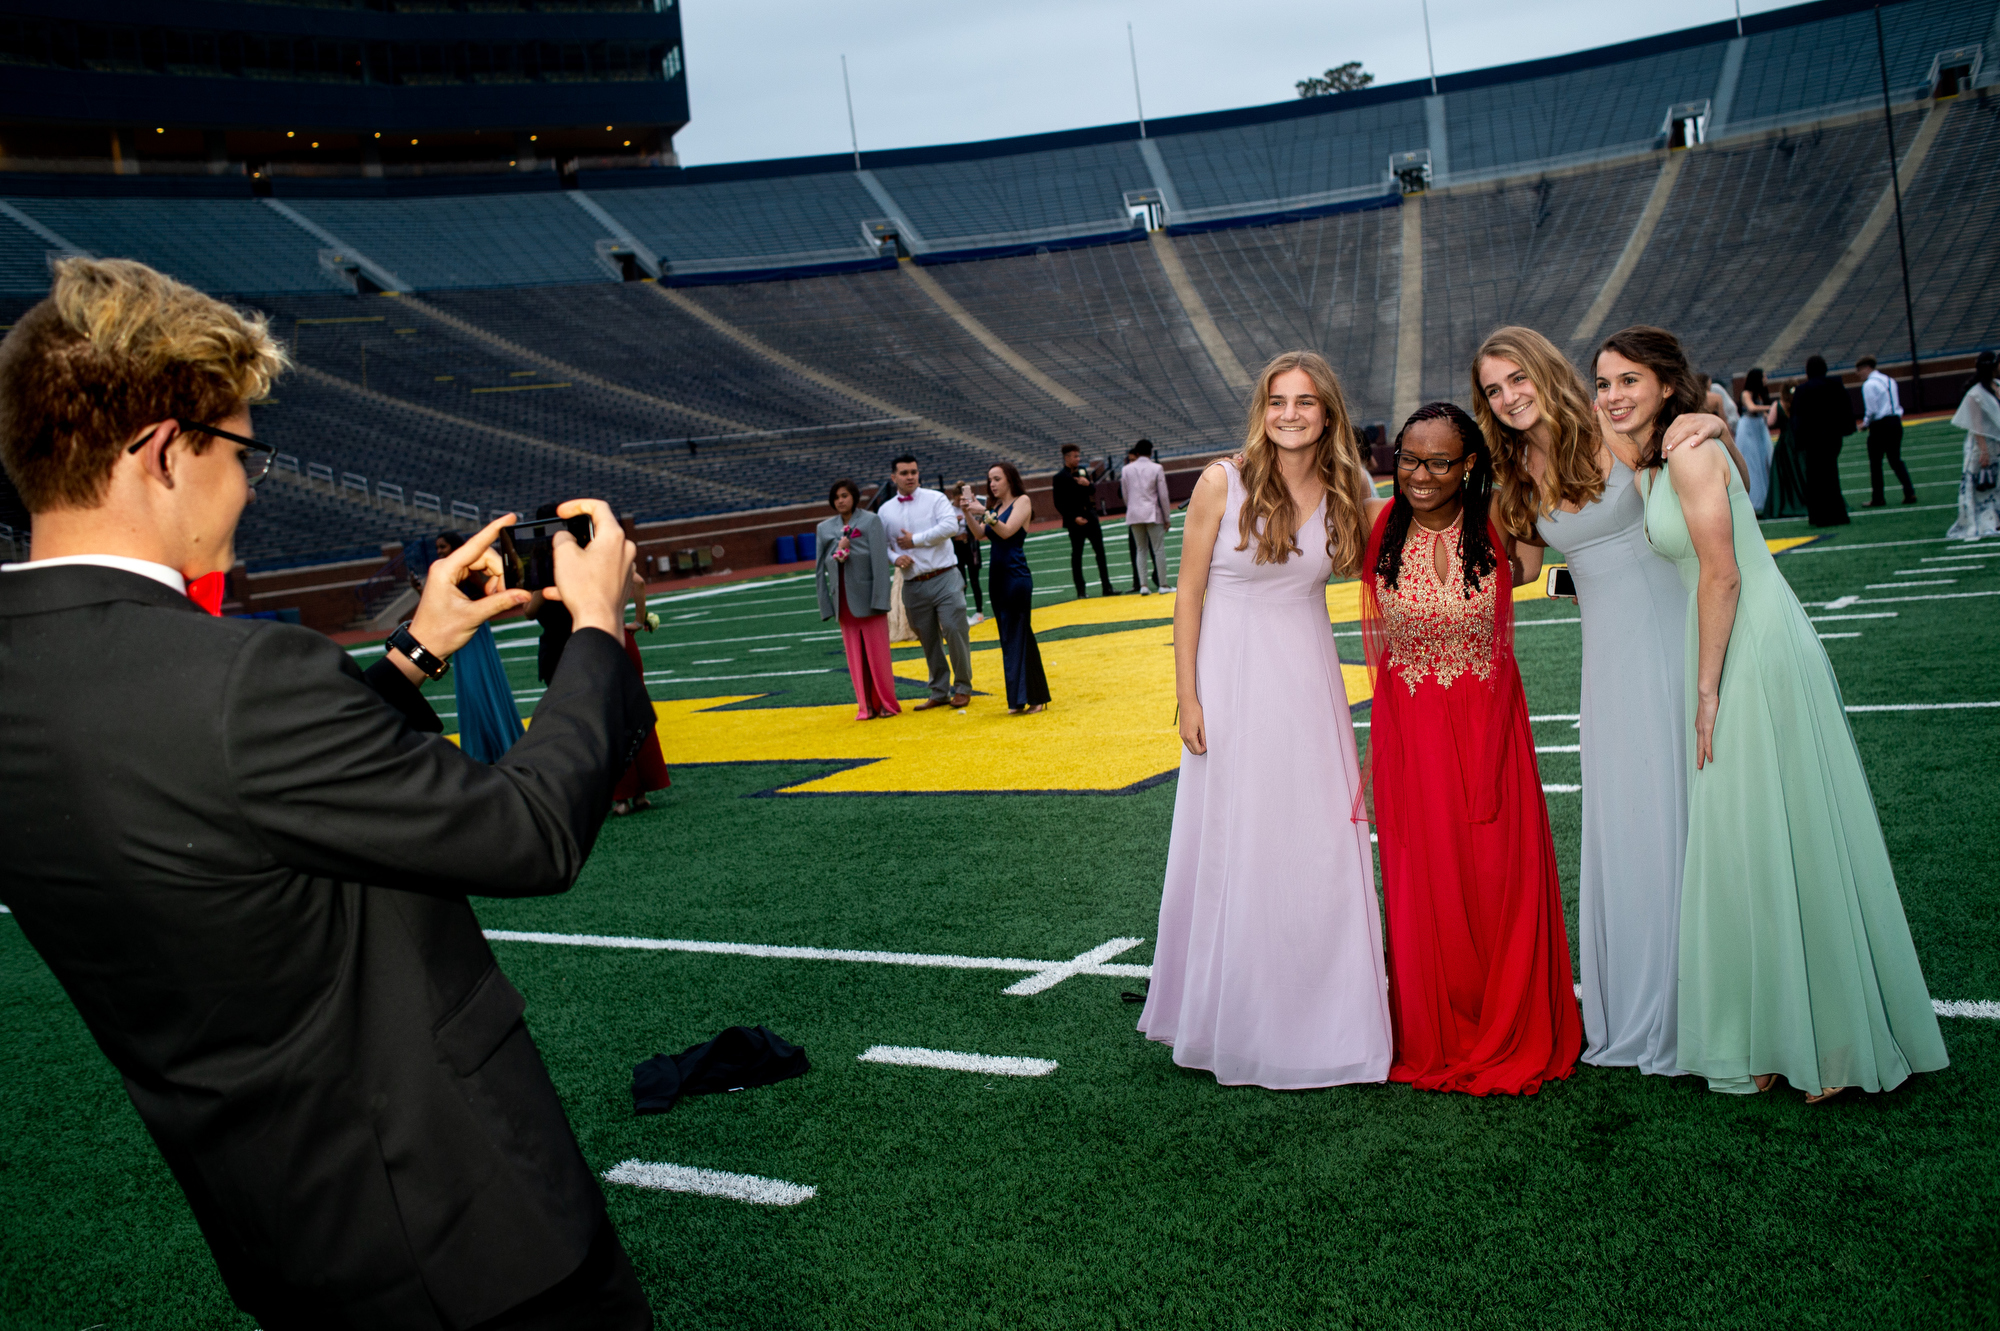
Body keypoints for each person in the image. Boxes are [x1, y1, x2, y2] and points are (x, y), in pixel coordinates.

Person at [0, 257, 656, 1326]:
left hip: (287, 1235)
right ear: (164, 450)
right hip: (469, 1234)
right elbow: (528, 834)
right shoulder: (240, 681)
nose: (250, 484)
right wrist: (594, 628)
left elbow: (216, 798)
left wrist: (413, 652)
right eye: (242, 448)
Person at [1597, 324, 1948, 1101]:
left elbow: (1721, 576)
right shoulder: (1662, 446)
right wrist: (1713, 417)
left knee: (1758, 830)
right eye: (1603, 382)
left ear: (1664, 383)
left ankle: (1817, 1042)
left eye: (1629, 381)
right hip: (1731, 640)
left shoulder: (1686, 450)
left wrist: (1707, 690)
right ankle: (1774, 1030)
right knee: (1751, 834)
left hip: (1745, 643)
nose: (1613, 395)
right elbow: (1613, 446)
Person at [1473, 325, 1730, 1080]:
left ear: (1546, 369)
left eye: (1517, 378)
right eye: (1493, 389)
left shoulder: (1608, 420)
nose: (1509, 396)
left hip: (1675, 632)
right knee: (1633, 816)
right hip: (1609, 658)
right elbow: (1519, 565)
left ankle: (1718, 1002)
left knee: (1695, 801)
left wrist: (1711, 417)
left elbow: (1698, 450)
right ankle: (1649, 1002)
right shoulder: (1514, 466)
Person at [1137, 350, 1392, 1088]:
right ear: (1262, 408)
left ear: (1329, 412)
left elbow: (1411, 537)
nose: (1289, 413)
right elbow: (1188, 593)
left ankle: (1324, 1014)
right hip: (1233, 679)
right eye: (1277, 400)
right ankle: (1234, 1015)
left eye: (1305, 401)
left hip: (1310, 682)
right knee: (1236, 840)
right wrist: (1188, 696)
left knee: (1315, 841)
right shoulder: (1224, 480)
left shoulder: (1353, 485)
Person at [1359, 401, 1580, 1096]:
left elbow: (1573, 466)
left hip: (1490, 734)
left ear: (1471, 464)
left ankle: (1510, 1021)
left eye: (1438, 462)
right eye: (1408, 458)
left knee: (1495, 875)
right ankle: (1438, 1030)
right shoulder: (1374, 521)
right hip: (1412, 739)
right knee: (1427, 879)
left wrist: (1709, 426)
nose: (1420, 475)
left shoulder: (1507, 520)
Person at [875, 454, 973, 710]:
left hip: (944, 576)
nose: (910, 477)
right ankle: (939, 690)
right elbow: (884, 546)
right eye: (904, 473)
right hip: (913, 583)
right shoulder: (885, 510)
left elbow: (951, 526)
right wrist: (896, 558)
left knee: (954, 629)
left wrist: (916, 540)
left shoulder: (935, 498)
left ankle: (963, 686)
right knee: (927, 638)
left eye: (914, 472)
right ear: (893, 477)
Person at [428, 529, 526, 764]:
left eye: (443, 547)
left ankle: (496, 744)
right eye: (438, 548)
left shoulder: (466, 572)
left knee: (479, 684)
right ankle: (486, 745)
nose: (439, 552)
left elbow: (468, 600)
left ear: (455, 547)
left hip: (473, 633)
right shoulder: (450, 573)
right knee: (472, 688)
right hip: (463, 636)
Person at [960, 462, 1050, 714]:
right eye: (989, 479)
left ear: (1009, 479)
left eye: (997, 478)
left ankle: (1032, 697)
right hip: (997, 577)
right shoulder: (995, 507)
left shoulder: (1022, 501)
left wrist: (984, 511)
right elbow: (980, 534)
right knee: (1010, 636)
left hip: (1016, 575)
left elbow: (1008, 531)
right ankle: (1025, 697)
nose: (992, 484)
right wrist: (968, 512)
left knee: (1019, 633)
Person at [815, 477, 901, 720]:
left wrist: (881, 600)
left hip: (870, 600)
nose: (841, 501)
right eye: (836, 497)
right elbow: (819, 570)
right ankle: (866, 706)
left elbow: (880, 563)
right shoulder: (824, 528)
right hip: (843, 602)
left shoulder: (871, 521)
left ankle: (886, 703)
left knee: (878, 656)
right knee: (855, 658)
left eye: (845, 496)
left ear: (854, 497)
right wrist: (826, 606)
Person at [610, 561, 670, 815]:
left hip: (600, 639)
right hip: (625, 639)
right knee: (637, 711)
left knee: (610, 717)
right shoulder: (615, 552)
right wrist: (637, 619)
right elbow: (638, 581)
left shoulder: (580, 561)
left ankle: (621, 797)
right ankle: (642, 792)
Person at [1789, 354, 1855, 527]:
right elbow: (1846, 409)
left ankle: (1820, 517)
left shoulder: (1803, 390)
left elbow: (1797, 418)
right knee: (1832, 475)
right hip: (1833, 438)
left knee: (1816, 479)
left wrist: (1798, 441)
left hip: (1813, 441)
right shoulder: (1836, 385)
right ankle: (1838, 514)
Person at [1947, 350, 2000, 540]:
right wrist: (1983, 450)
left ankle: (1996, 519)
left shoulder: (1997, 386)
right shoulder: (1975, 393)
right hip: (1982, 444)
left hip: (1998, 442)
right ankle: (1980, 521)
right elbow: (1977, 425)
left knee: (1997, 483)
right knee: (1980, 483)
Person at [1053, 444, 1117, 598]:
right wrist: (1073, 517)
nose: (1078, 459)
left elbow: (1092, 491)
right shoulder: (1060, 477)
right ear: (1066, 457)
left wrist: (1088, 484)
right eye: (1075, 456)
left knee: (1100, 553)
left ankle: (1106, 587)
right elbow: (1059, 502)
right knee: (1077, 555)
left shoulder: (1082, 472)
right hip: (1075, 522)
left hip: (1090, 517)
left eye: (1078, 456)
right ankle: (1080, 590)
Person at [1857, 355, 1918, 507]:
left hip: (1880, 425)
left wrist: (1864, 424)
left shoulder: (1869, 385)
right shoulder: (1889, 380)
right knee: (1896, 460)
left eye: (1859, 370)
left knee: (1876, 464)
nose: (1858, 374)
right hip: (1895, 422)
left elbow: (1872, 410)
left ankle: (1878, 498)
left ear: (1866, 368)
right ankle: (1909, 492)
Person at [1747, 369, 1807, 519]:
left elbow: (1771, 422)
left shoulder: (1779, 404)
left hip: (1785, 442)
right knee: (1803, 472)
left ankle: (1786, 504)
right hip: (1800, 440)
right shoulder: (1801, 401)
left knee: (1784, 476)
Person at [1120, 438, 1173, 594]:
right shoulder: (1156, 468)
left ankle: (1143, 586)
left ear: (1136, 452)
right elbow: (1163, 495)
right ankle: (1163, 585)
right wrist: (1167, 517)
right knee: (1158, 550)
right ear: (1151, 452)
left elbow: (1125, 493)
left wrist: (1131, 507)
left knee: (1140, 550)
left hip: (1134, 513)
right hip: (1152, 513)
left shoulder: (1126, 469)